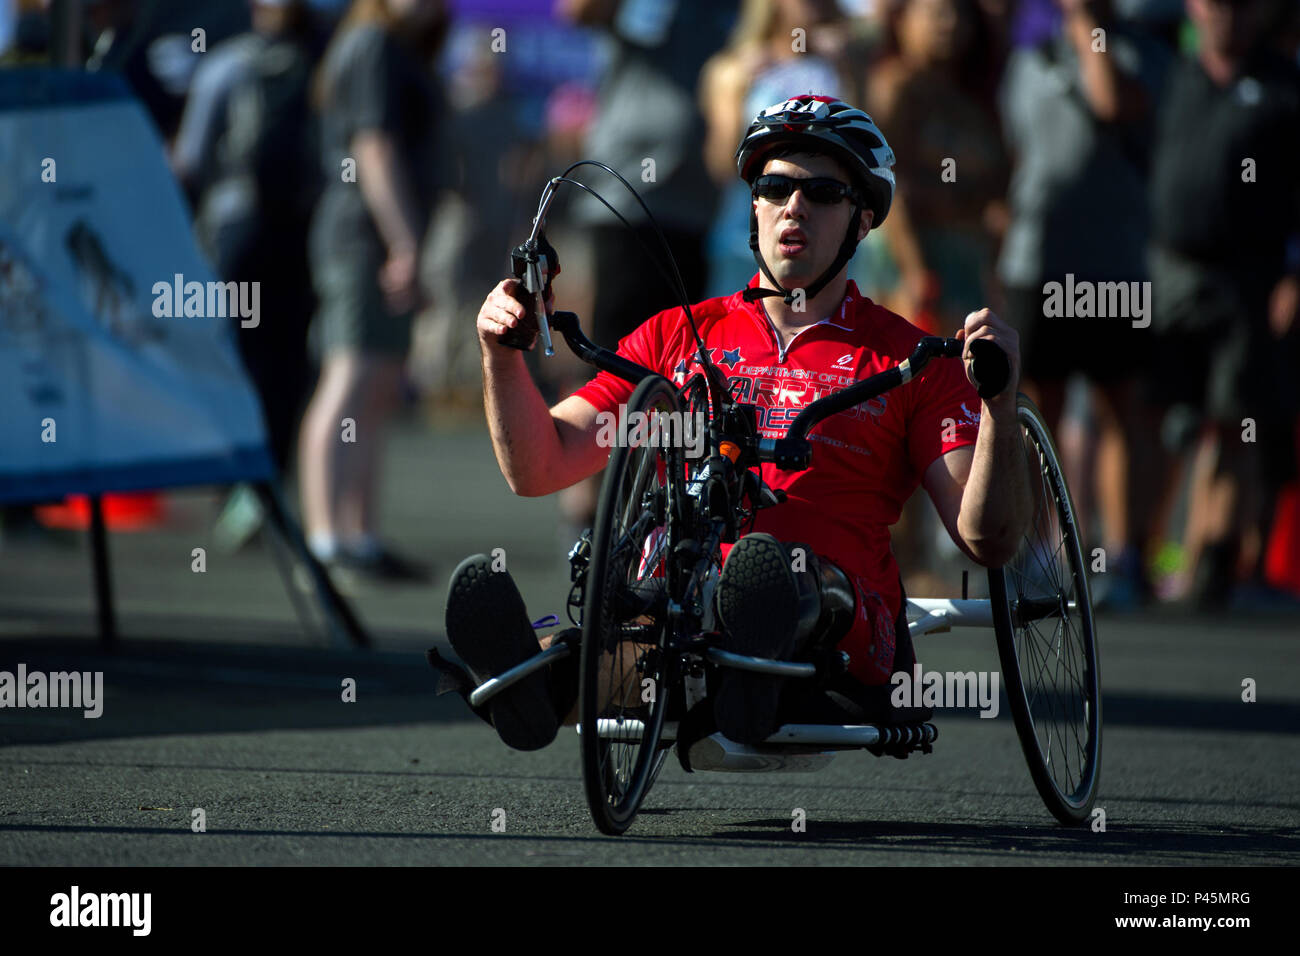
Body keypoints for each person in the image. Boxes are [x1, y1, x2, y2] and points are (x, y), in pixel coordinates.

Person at [436, 96, 1032, 751]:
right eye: (774, 187)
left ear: (863, 220)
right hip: (683, 622)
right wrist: (501, 356)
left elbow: (987, 540)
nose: (793, 207)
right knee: (617, 631)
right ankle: (534, 680)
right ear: (752, 207)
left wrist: (999, 410)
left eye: (823, 192)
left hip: (839, 633)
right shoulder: (678, 335)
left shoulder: (909, 359)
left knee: (782, 575)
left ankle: (751, 668)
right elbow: (541, 463)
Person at [1145, 0, 1300, 606]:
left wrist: (1293, 273)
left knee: (1237, 421)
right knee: (1160, 419)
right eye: (1214, 4)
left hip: (1250, 279)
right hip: (1167, 271)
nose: (1226, 16)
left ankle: (1215, 562)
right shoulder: (1171, 75)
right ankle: (1136, 555)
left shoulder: (1285, 86)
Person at [296, 0, 448, 584]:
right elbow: (372, 148)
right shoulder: (372, 44)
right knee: (349, 376)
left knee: (377, 386)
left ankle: (358, 537)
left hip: (382, 242)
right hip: (362, 240)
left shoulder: (401, 49)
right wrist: (404, 243)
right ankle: (325, 537)